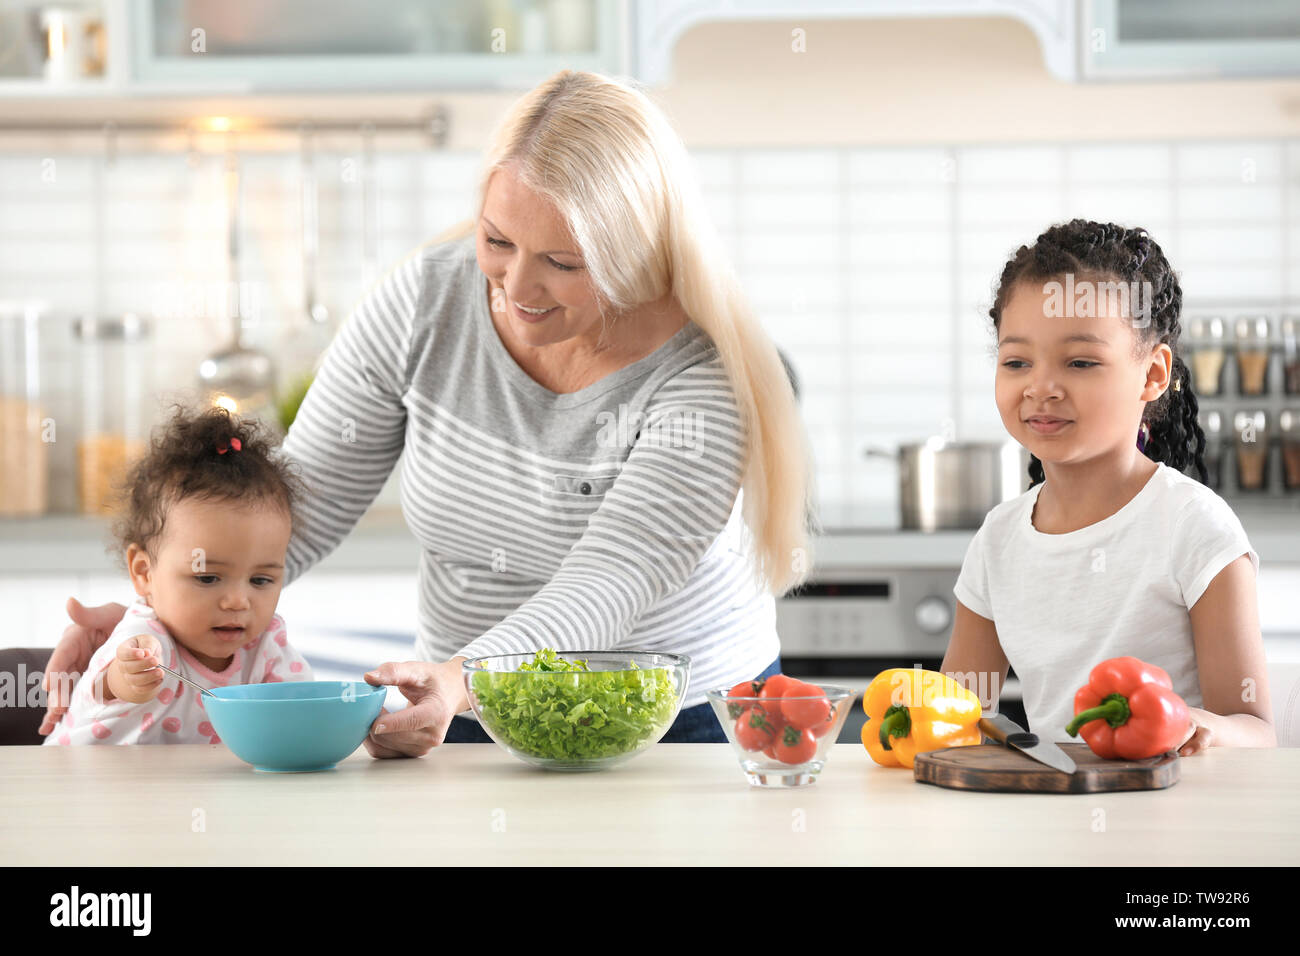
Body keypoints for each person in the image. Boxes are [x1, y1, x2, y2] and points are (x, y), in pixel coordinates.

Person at [41, 69, 815, 754]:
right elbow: (291, 509)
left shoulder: (702, 378)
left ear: (637, 251)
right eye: (497, 240)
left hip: (674, 726)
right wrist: (167, 606)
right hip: (464, 717)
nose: (516, 289)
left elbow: (607, 584)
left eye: (564, 263)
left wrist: (459, 677)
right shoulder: (426, 303)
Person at [941, 220, 1276, 756]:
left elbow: (1256, 730)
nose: (1041, 386)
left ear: (1152, 374)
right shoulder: (998, 539)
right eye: (1016, 362)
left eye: (1080, 362)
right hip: (1053, 813)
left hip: (1175, 820)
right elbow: (959, 713)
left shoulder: (1194, 527)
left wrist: (1196, 726)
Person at [43, 404, 312, 745]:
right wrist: (129, 674)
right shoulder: (146, 639)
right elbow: (113, 680)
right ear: (144, 572)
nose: (238, 601)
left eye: (260, 580)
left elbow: (303, 710)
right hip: (78, 789)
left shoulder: (267, 647)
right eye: (207, 578)